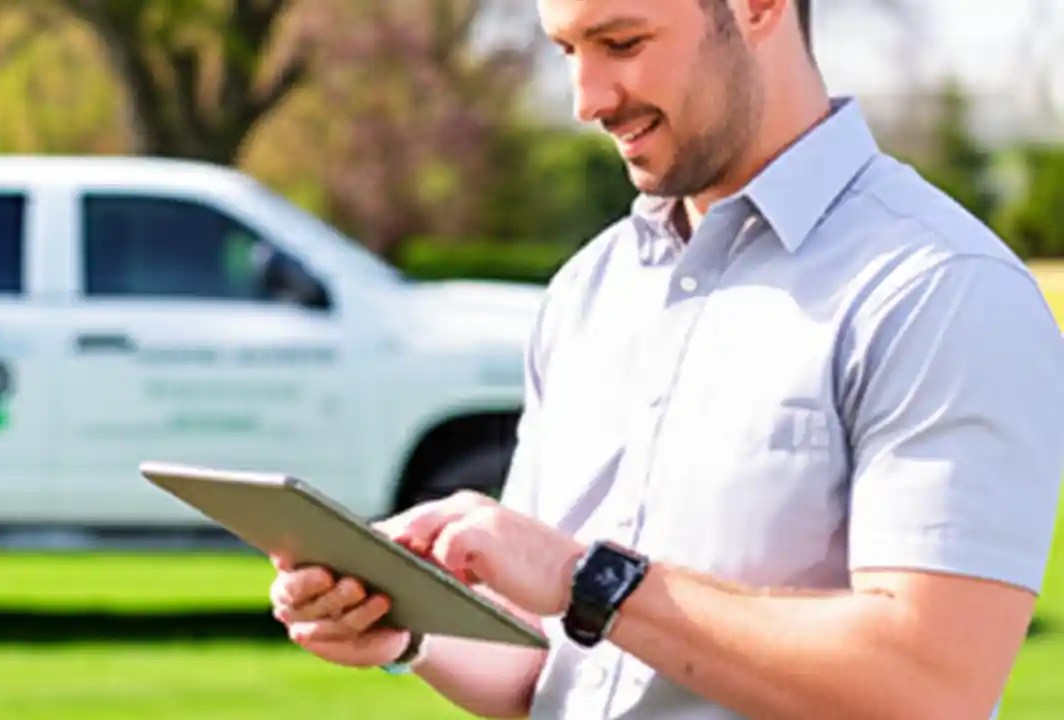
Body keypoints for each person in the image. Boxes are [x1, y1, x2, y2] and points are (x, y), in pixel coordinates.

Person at [269, 0, 1064, 717]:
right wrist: (406, 624)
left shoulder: (940, 288)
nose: (589, 100)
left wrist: (590, 580)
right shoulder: (590, 288)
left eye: (621, 42)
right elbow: (548, 663)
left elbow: (930, 685)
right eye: (568, 50)